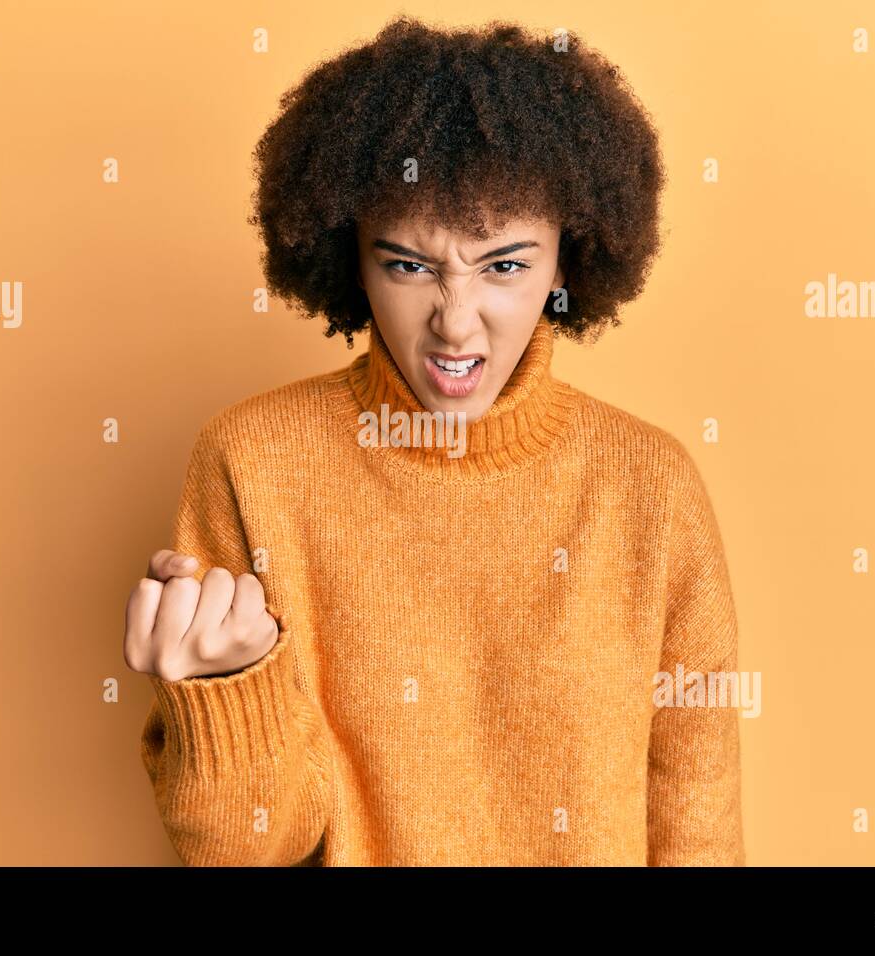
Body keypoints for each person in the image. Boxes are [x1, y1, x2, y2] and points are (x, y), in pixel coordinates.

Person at [123, 14, 745, 866]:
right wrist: (226, 688)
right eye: (410, 266)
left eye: (506, 266)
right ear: (351, 257)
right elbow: (245, 852)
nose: (456, 325)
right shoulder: (251, 460)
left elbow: (697, 828)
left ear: (567, 261)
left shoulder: (651, 487)